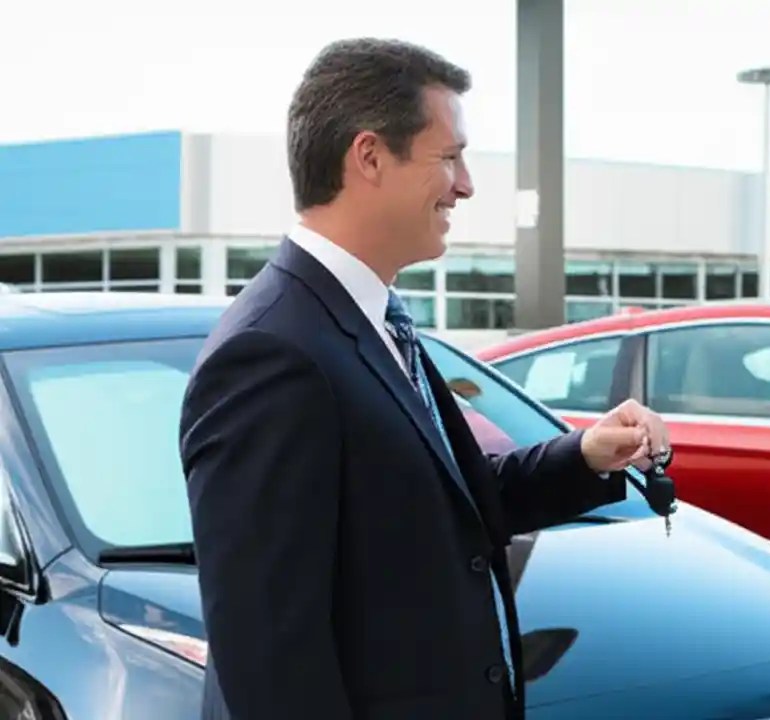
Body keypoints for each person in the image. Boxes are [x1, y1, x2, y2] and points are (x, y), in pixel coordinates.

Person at [178, 38, 669, 720]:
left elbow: (441, 507)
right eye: (448, 157)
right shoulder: (270, 355)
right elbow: (270, 660)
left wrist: (584, 456)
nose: (465, 184)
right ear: (370, 156)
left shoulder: (372, 319)